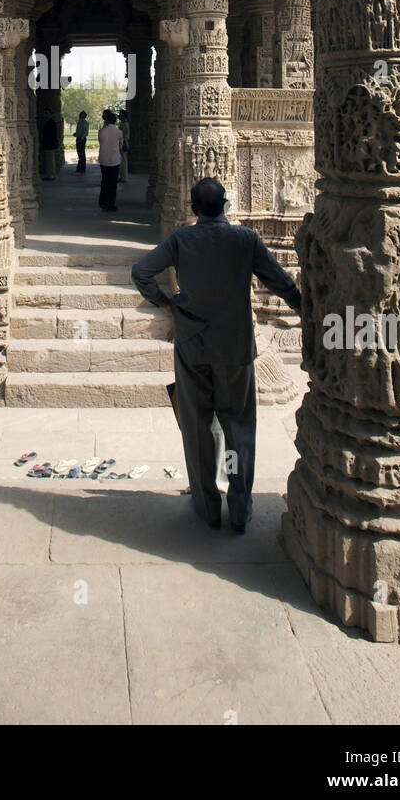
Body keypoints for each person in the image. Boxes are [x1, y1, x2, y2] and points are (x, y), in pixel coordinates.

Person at [131, 177, 301, 533]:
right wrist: (308, 309)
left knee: (198, 428)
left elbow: (141, 272)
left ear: (194, 208)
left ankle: (207, 505)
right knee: (237, 428)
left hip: (193, 343)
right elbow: (280, 281)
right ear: (225, 206)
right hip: (235, 345)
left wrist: (168, 304)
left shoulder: (182, 239)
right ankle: (239, 507)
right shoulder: (245, 239)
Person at [97, 109, 123, 213]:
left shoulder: (102, 131)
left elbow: (100, 141)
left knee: (104, 181)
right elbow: (121, 145)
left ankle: (102, 201)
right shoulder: (119, 132)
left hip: (104, 159)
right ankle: (110, 204)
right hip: (115, 160)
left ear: (107, 120)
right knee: (113, 183)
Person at [41, 108, 59, 180]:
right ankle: (51, 174)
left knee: (50, 160)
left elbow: (52, 134)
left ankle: (51, 175)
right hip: (48, 143)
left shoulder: (51, 122)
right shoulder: (48, 121)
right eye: (45, 113)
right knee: (49, 160)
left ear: (50, 114)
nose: (45, 115)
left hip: (50, 144)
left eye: (47, 113)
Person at [118, 109, 130, 183]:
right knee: (122, 161)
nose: (119, 116)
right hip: (122, 143)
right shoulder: (123, 124)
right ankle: (122, 176)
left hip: (123, 143)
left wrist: (123, 143)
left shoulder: (125, 124)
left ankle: (124, 177)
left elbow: (126, 136)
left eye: (120, 114)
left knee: (123, 162)